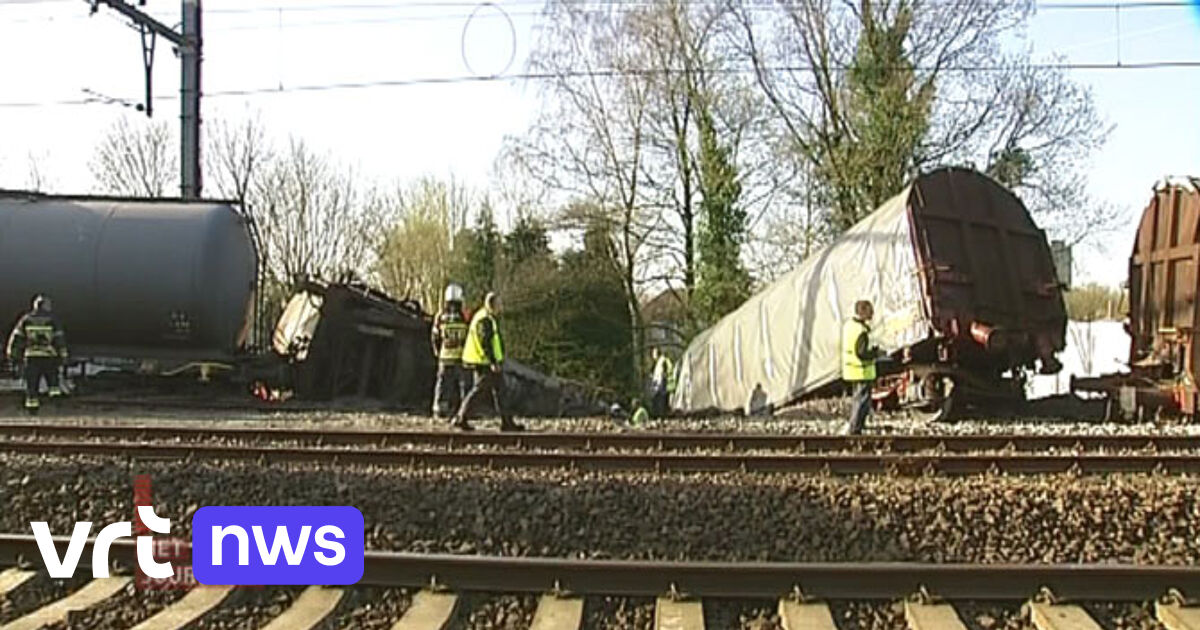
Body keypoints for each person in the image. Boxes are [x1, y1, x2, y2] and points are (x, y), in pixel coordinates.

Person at [452, 292, 524, 432]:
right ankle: (461, 417)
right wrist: (493, 362)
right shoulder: (484, 319)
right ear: (492, 305)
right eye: (499, 304)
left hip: (487, 361)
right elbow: (485, 342)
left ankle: (507, 422)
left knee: (500, 391)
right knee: (480, 391)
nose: (501, 307)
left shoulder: (488, 317)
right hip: (483, 362)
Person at [6, 295, 67, 415]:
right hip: (48, 356)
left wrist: (12, 354)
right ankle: (56, 403)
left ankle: (32, 408)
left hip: (31, 357)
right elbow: (59, 339)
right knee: (53, 382)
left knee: (32, 384)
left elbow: (17, 338)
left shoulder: (26, 319)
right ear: (45, 305)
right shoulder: (52, 320)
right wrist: (63, 355)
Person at [842, 299, 884, 435]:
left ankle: (857, 426)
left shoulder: (849, 325)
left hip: (852, 369)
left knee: (859, 399)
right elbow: (861, 353)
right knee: (861, 401)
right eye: (870, 311)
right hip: (861, 370)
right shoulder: (861, 331)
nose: (872, 315)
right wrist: (875, 354)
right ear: (864, 312)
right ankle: (855, 428)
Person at [430, 283, 470, 419]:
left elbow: (435, 336)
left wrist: (437, 351)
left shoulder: (440, 316)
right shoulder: (465, 316)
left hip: (445, 357)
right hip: (461, 357)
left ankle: (439, 409)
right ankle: (464, 410)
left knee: (442, 385)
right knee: (463, 386)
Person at [650, 347, 675, 418]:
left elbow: (663, 374)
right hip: (661, 385)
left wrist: (659, 385)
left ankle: (662, 416)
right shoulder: (659, 362)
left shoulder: (662, 361)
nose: (652, 356)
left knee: (662, 402)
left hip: (663, 386)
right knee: (662, 402)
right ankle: (662, 415)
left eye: (653, 353)